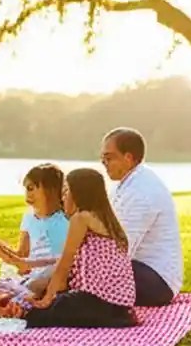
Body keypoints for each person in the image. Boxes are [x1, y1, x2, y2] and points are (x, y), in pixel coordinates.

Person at [24, 168, 136, 328]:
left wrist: (47, 299)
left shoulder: (81, 218)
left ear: (79, 193)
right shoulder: (106, 220)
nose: (63, 199)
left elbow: (65, 261)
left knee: (36, 315)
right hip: (121, 308)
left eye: (66, 192)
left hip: (99, 303)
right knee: (52, 297)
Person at [100, 128, 183, 306]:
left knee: (84, 276)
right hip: (139, 270)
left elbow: (122, 249)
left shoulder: (141, 192)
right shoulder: (127, 183)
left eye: (109, 158)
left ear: (128, 158)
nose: (104, 163)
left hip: (156, 282)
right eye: (103, 159)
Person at [0, 163, 69, 297]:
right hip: (32, 273)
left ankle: (15, 297)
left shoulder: (65, 219)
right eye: (26, 189)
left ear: (50, 190)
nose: (27, 194)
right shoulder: (29, 217)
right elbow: (22, 256)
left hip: (55, 274)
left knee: (37, 282)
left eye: (31, 188)